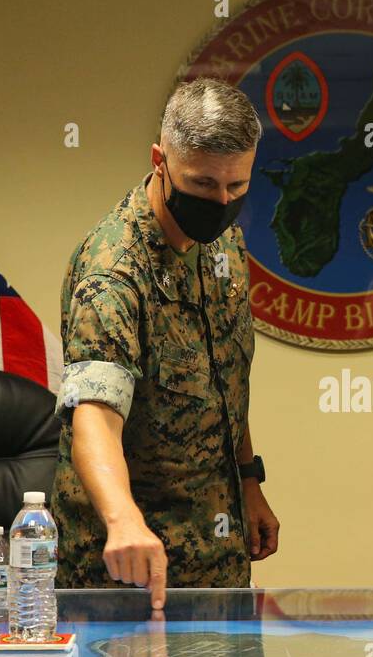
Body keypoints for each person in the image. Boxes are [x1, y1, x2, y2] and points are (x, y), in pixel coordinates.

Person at [50, 78, 279, 608]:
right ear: (161, 160)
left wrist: (248, 481)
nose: (221, 202)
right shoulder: (115, 271)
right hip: (124, 569)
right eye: (203, 185)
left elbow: (226, 381)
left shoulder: (224, 246)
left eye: (237, 188)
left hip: (217, 561)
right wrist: (122, 518)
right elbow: (93, 413)